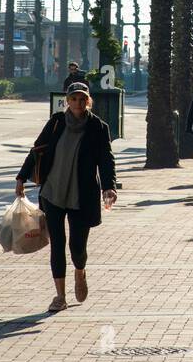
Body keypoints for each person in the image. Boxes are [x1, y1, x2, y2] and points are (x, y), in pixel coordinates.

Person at [15, 82, 117, 313]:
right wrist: (21, 177)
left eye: (82, 99)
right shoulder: (56, 123)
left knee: (77, 247)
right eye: (74, 99)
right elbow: (37, 150)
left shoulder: (98, 127)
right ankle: (60, 296)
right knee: (57, 245)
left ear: (88, 101)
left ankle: (80, 272)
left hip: (82, 195)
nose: (78, 103)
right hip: (53, 192)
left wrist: (109, 187)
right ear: (67, 101)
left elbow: (106, 159)